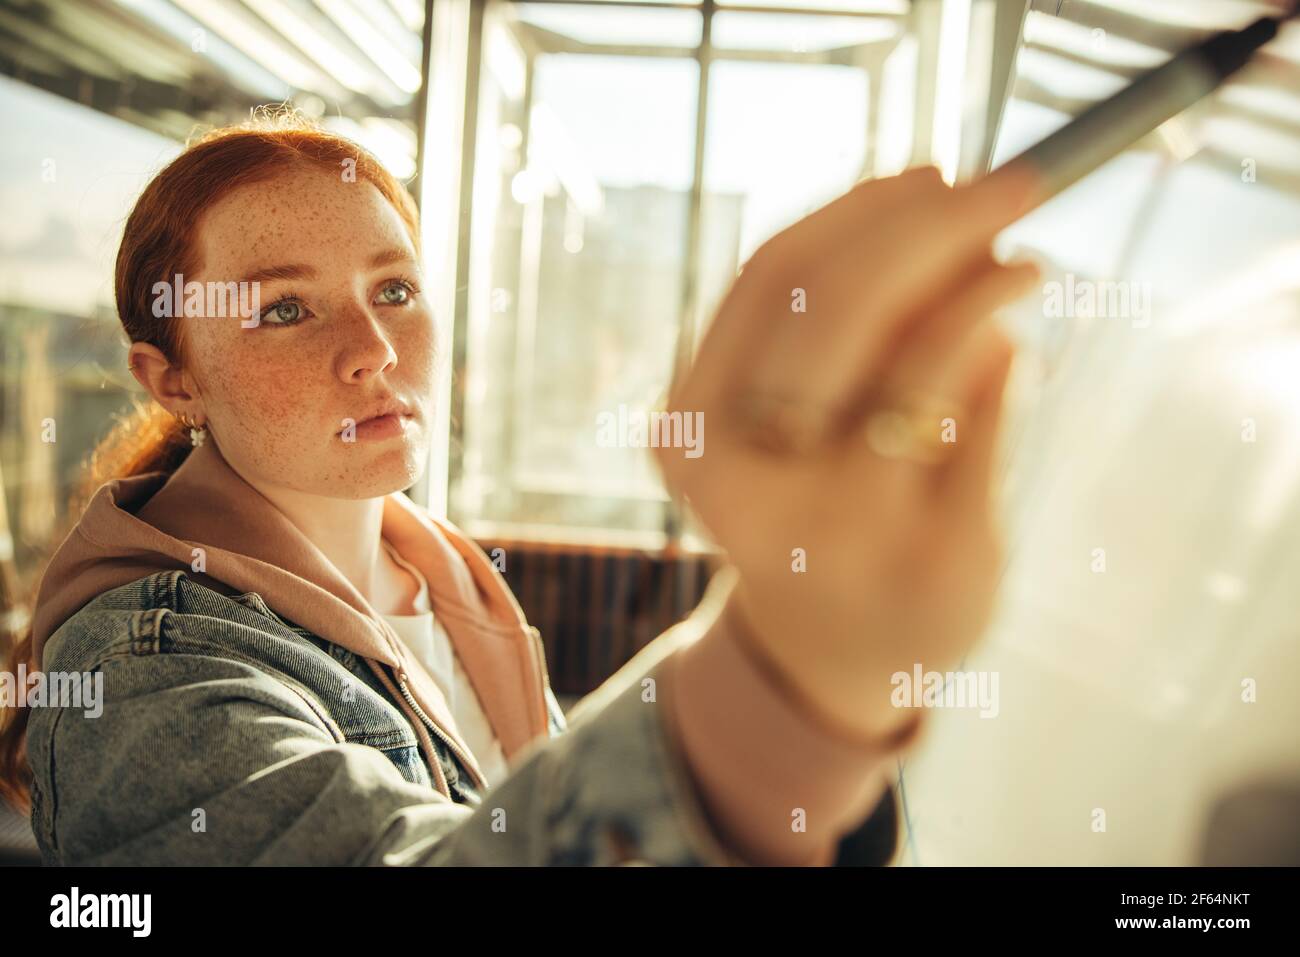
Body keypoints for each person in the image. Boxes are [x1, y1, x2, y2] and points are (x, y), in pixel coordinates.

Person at [0, 110, 1040, 866]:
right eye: (283, 311)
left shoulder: (438, 571)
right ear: (172, 378)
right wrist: (792, 685)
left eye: (394, 289)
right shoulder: (144, 671)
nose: (372, 349)